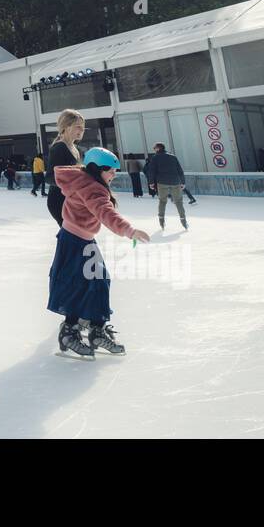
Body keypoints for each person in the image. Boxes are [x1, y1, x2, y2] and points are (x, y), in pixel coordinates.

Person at [49, 147, 151, 358]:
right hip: (74, 241)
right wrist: (129, 230)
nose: (114, 174)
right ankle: (69, 332)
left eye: (115, 170)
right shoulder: (92, 188)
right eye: (110, 170)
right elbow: (105, 212)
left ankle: (97, 329)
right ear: (96, 169)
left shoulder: (87, 181)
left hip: (81, 239)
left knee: (98, 281)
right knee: (79, 284)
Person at [47, 109, 85, 224]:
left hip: (72, 201)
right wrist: (71, 181)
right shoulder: (59, 148)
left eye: (83, 127)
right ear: (66, 126)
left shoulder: (75, 149)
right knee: (73, 236)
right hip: (59, 201)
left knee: (74, 237)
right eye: (78, 126)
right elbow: (49, 177)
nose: (81, 130)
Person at [144, 142, 188, 231]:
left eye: (154, 148)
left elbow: (151, 171)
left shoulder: (155, 158)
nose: (154, 150)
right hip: (175, 182)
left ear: (158, 148)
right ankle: (184, 222)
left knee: (162, 201)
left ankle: (161, 221)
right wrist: (183, 182)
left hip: (162, 182)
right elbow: (180, 170)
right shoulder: (173, 157)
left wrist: (151, 183)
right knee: (178, 201)